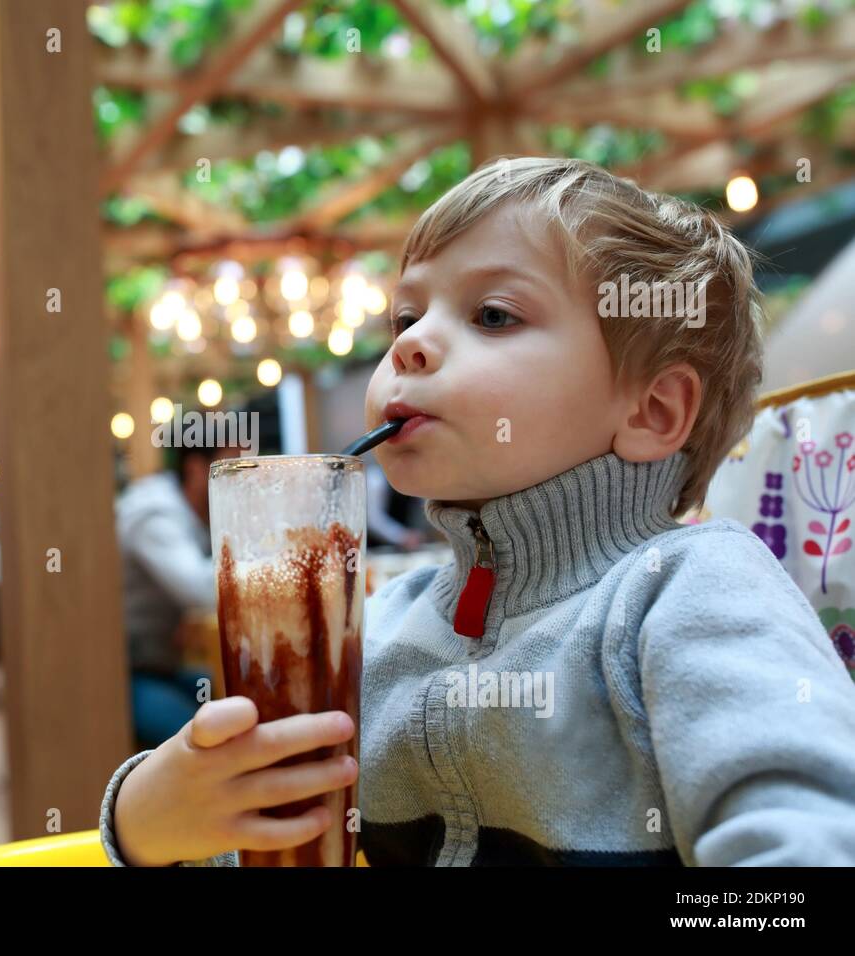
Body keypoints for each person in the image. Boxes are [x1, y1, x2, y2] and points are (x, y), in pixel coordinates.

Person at [98, 156, 855, 867]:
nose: (412, 345)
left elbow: (807, 845)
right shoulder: (382, 627)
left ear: (654, 411)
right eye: (404, 319)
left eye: (491, 315)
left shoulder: (693, 588)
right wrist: (147, 817)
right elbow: (274, 837)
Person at [116, 442, 239, 747]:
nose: (241, 481)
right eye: (231, 468)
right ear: (196, 469)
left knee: (246, 705)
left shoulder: (194, 511)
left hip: (167, 665)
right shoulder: (153, 514)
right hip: (125, 674)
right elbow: (201, 590)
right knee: (209, 741)